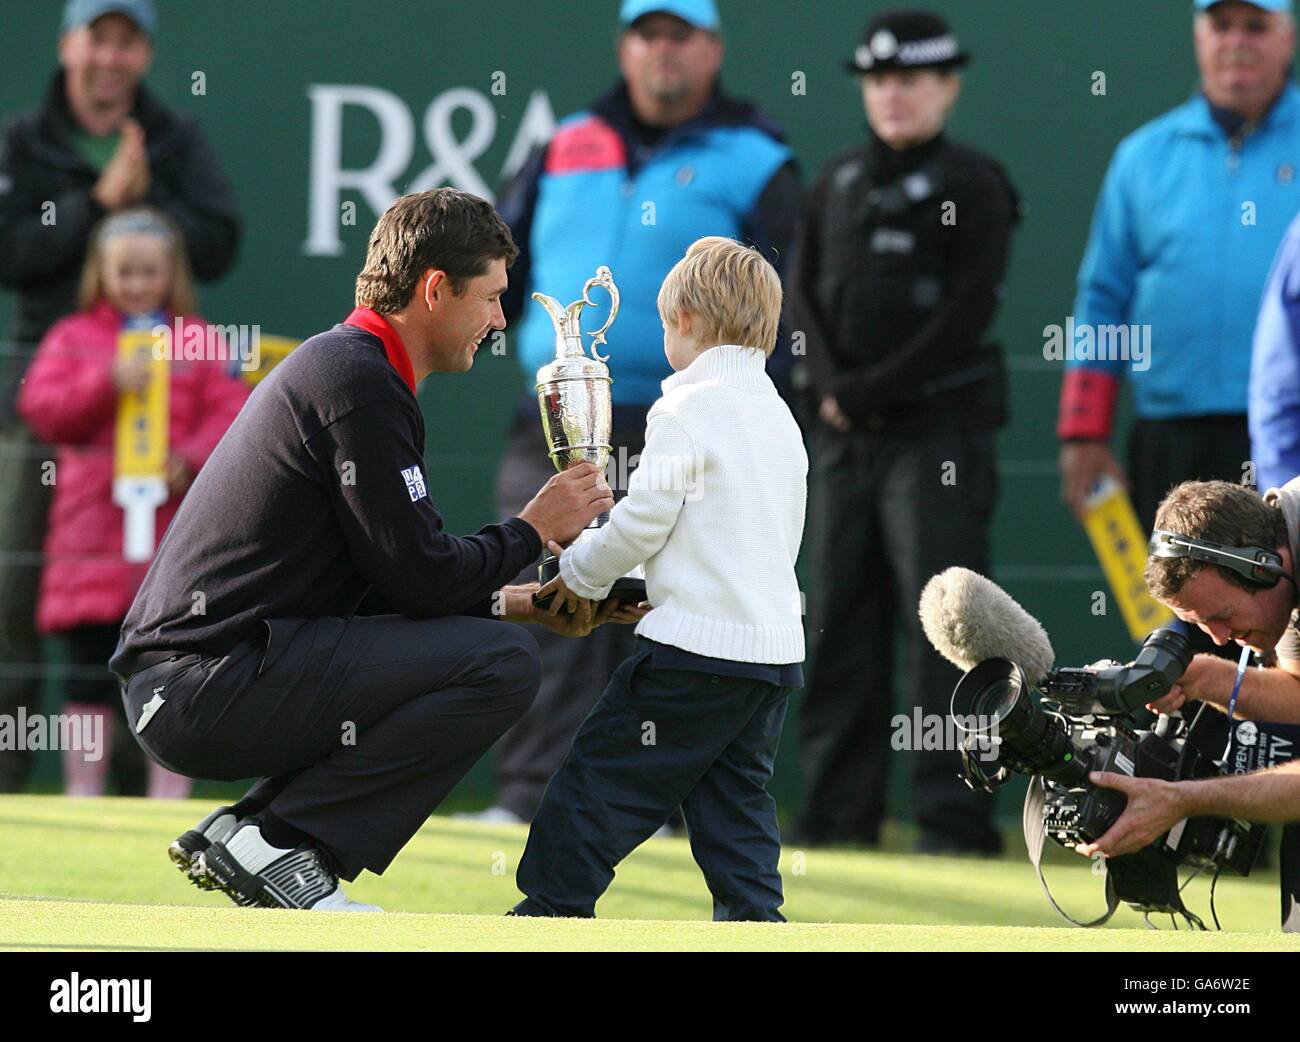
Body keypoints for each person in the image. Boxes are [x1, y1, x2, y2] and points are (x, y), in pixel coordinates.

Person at [109, 189, 636, 912]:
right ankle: (285, 841)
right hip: (196, 690)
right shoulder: (358, 380)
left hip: (194, 683)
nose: (496, 321)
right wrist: (533, 530)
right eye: (488, 298)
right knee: (499, 663)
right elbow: (421, 581)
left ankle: (254, 830)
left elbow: (392, 581)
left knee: (495, 643)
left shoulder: (355, 369)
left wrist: (521, 602)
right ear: (433, 289)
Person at [478, 0, 802, 827]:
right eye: (649, 34)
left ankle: (656, 805)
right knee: (544, 581)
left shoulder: (758, 156)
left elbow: (786, 302)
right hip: (557, 418)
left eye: (681, 35)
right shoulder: (565, 143)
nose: (664, 51)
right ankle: (525, 799)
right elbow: (500, 264)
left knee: (666, 606)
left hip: (694, 425)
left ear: (712, 49)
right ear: (626, 48)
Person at [512, 237, 806, 921]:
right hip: (770, 661)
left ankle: (547, 914)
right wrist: (643, 582)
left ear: (687, 322)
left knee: (600, 780)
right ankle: (758, 926)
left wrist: (580, 573)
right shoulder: (781, 420)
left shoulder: (684, 410)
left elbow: (644, 523)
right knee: (735, 811)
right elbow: (733, 539)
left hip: (689, 657)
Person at [789, 8, 1019, 853]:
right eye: (878, 80)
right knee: (837, 621)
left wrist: (868, 387)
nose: (892, 94)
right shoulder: (839, 179)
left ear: (948, 85)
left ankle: (954, 819)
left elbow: (967, 313)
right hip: (843, 439)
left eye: (911, 79)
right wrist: (835, 387)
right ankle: (833, 817)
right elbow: (801, 289)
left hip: (937, 438)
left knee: (947, 627)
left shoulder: (976, 183)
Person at [0, 0, 240, 792]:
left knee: (162, 622)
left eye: (127, 40)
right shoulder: (24, 140)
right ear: (70, 45)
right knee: (23, 601)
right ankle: (23, 786)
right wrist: (97, 205)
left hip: (165, 471)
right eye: (96, 37)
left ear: (143, 54)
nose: (110, 55)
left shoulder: (175, 140)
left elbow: (217, 238)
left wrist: (142, 210)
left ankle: (147, 788)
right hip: (52, 420)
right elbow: (14, 250)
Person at [18, 207, 247, 798]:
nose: (138, 284)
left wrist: (189, 458)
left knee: (176, 664)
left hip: (176, 538)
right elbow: (43, 409)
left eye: (150, 272)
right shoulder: (74, 337)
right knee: (88, 669)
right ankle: (82, 794)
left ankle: (167, 798)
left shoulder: (200, 339)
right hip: (91, 534)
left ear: (172, 274)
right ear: (101, 272)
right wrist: (106, 382)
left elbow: (233, 414)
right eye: (125, 272)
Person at [1058, 0, 1299, 533]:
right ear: (1198, 36)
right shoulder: (1142, 157)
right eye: (1221, 24)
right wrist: (1084, 432)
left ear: (1289, 38)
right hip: (1171, 442)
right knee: (1177, 612)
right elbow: (1103, 298)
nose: (1237, 40)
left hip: (1289, 435)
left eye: (1256, 26)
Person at [1076, 478, 1300, 858]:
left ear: (1263, 567)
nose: (1218, 637)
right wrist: (1205, 678)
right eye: (1200, 624)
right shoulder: (1283, 555)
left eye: (1223, 616)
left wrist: (1182, 799)